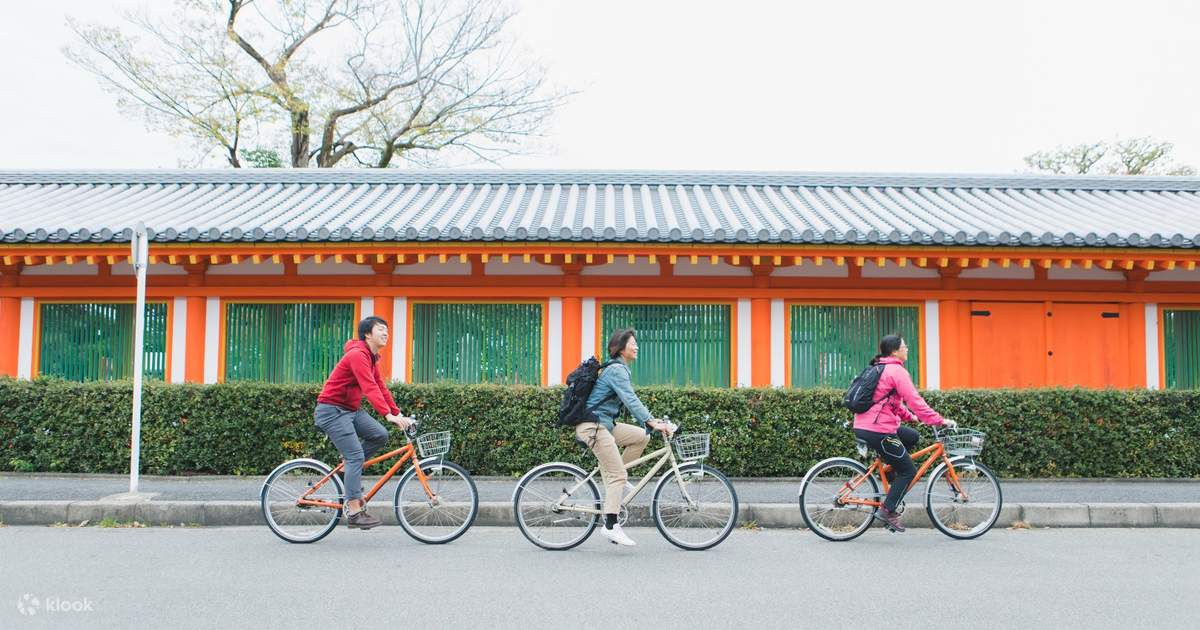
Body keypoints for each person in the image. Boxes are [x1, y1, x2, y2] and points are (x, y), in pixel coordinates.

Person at [314, 316, 413, 530]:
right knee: (355, 455)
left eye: (387, 330)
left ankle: (346, 471)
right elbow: (368, 387)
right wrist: (387, 415)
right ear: (368, 334)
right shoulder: (358, 355)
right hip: (331, 410)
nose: (386, 333)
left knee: (379, 435)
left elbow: (380, 386)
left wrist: (397, 413)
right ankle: (354, 511)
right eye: (381, 330)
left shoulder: (371, 357)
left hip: (349, 410)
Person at [580, 328, 675, 546]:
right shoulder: (617, 371)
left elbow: (631, 401)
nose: (637, 346)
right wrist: (652, 420)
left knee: (642, 436)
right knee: (618, 474)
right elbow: (631, 400)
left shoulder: (620, 369)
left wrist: (650, 424)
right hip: (594, 426)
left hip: (605, 425)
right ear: (621, 348)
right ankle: (611, 525)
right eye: (633, 343)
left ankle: (616, 478)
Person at [853, 334, 955, 533]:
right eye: (904, 346)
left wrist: (912, 418)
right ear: (894, 351)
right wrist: (938, 420)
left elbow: (892, 402)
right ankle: (888, 511)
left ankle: (891, 471)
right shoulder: (896, 371)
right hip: (878, 429)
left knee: (911, 436)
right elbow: (915, 401)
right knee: (909, 471)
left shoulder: (880, 367)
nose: (907, 349)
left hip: (866, 425)